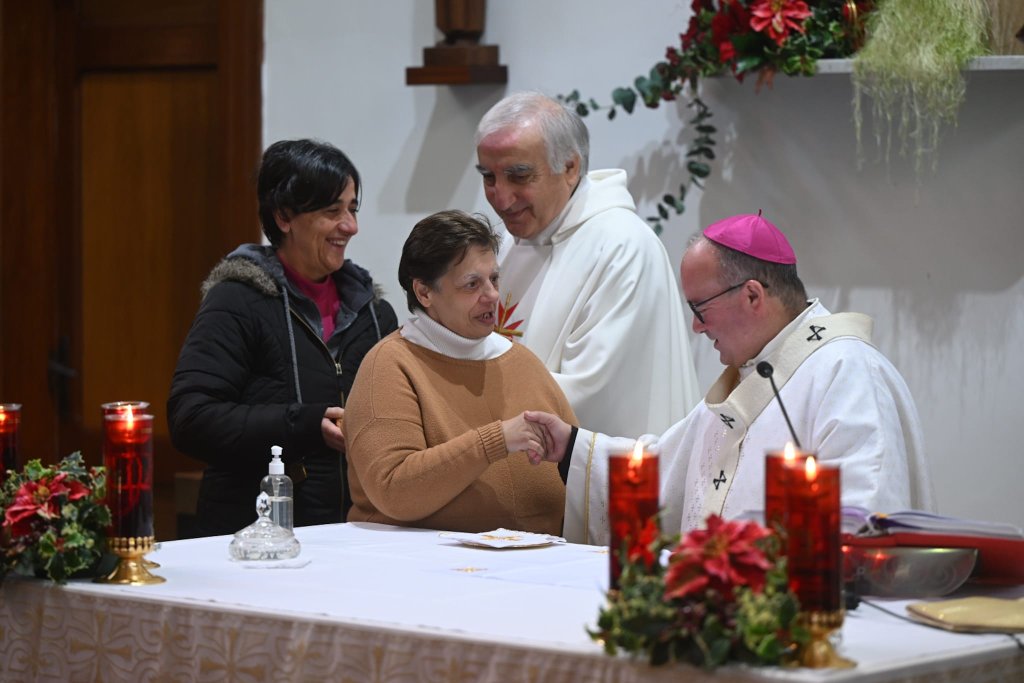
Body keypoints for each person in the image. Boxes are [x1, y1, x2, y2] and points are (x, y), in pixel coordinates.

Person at [526, 212, 935, 544]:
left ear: (753, 295)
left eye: (700, 308)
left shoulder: (846, 371)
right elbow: (662, 472)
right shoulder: (752, 377)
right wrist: (573, 448)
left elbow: (866, 512)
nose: (696, 327)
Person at [168, 139, 398, 537]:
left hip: (354, 539)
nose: (351, 226)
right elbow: (192, 418)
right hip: (254, 539)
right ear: (284, 216)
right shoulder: (237, 301)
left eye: (352, 209)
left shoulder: (374, 314)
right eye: (332, 211)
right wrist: (305, 425)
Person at [474, 92, 700, 437]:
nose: (501, 199)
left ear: (569, 167)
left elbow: (596, 398)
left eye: (518, 176)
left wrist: (461, 393)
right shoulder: (508, 243)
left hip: (606, 480)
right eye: (489, 177)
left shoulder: (622, 247)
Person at [343, 210, 577, 535]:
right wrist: (494, 441)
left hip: (541, 563)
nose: (493, 295)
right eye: (472, 284)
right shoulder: (390, 365)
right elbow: (393, 490)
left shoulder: (523, 362)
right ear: (424, 293)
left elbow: (575, 472)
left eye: (494, 279)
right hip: (424, 569)